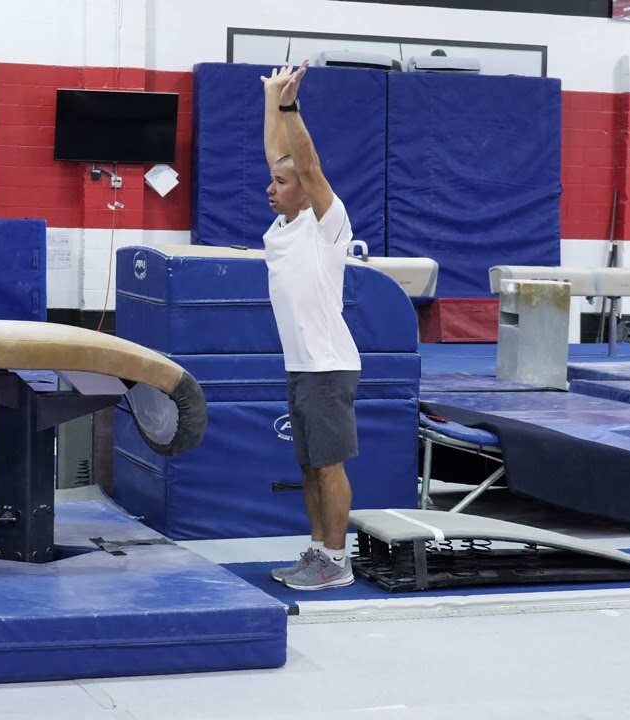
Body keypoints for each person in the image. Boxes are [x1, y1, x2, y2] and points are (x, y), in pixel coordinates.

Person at [259, 61, 361, 591]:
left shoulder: (327, 226)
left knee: (328, 468)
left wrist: (292, 108)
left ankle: (337, 563)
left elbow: (307, 167)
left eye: (280, 183)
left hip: (327, 366)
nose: (270, 189)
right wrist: (273, 97)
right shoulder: (285, 225)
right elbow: (280, 157)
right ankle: (319, 551)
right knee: (308, 468)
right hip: (301, 367)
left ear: (305, 190)